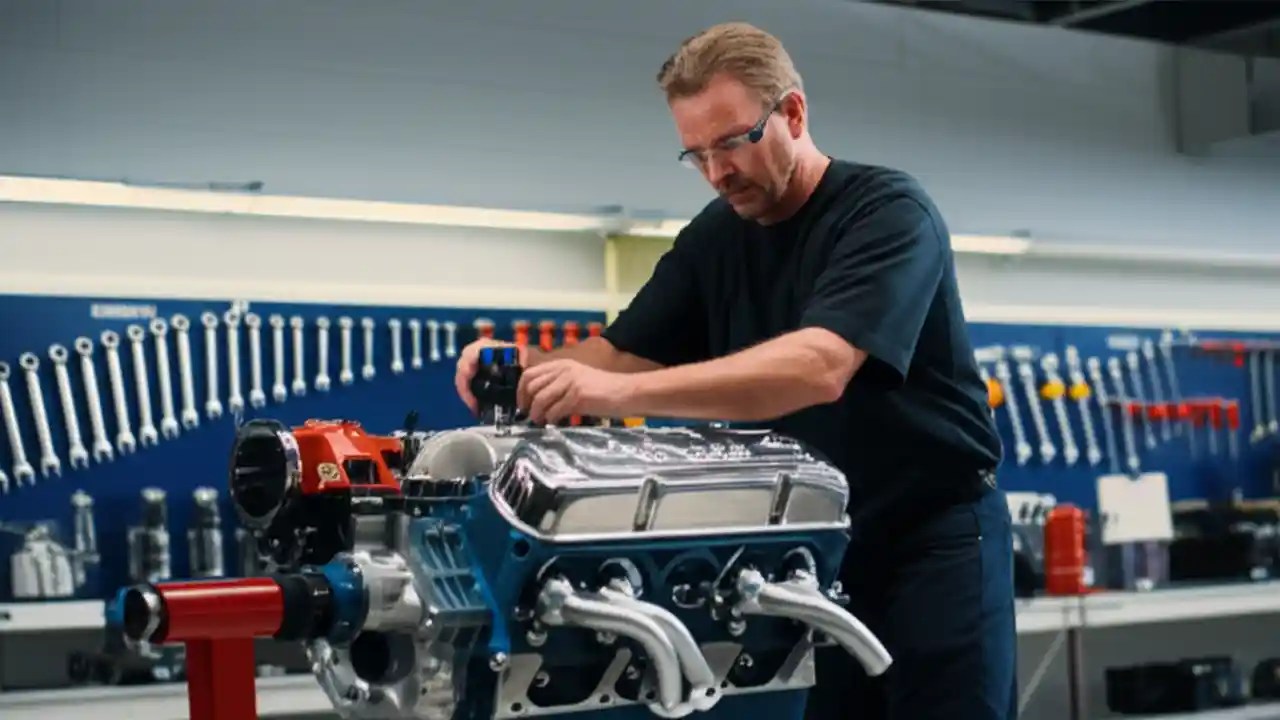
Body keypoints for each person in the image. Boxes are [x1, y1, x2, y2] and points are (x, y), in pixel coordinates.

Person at [454, 21, 1016, 720]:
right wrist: (532, 368)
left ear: (794, 114)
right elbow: (620, 353)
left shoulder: (887, 212)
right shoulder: (716, 237)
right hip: (822, 541)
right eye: (694, 155)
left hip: (936, 537)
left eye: (731, 144)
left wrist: (618, 392)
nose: (717, 172)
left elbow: (820, 366)